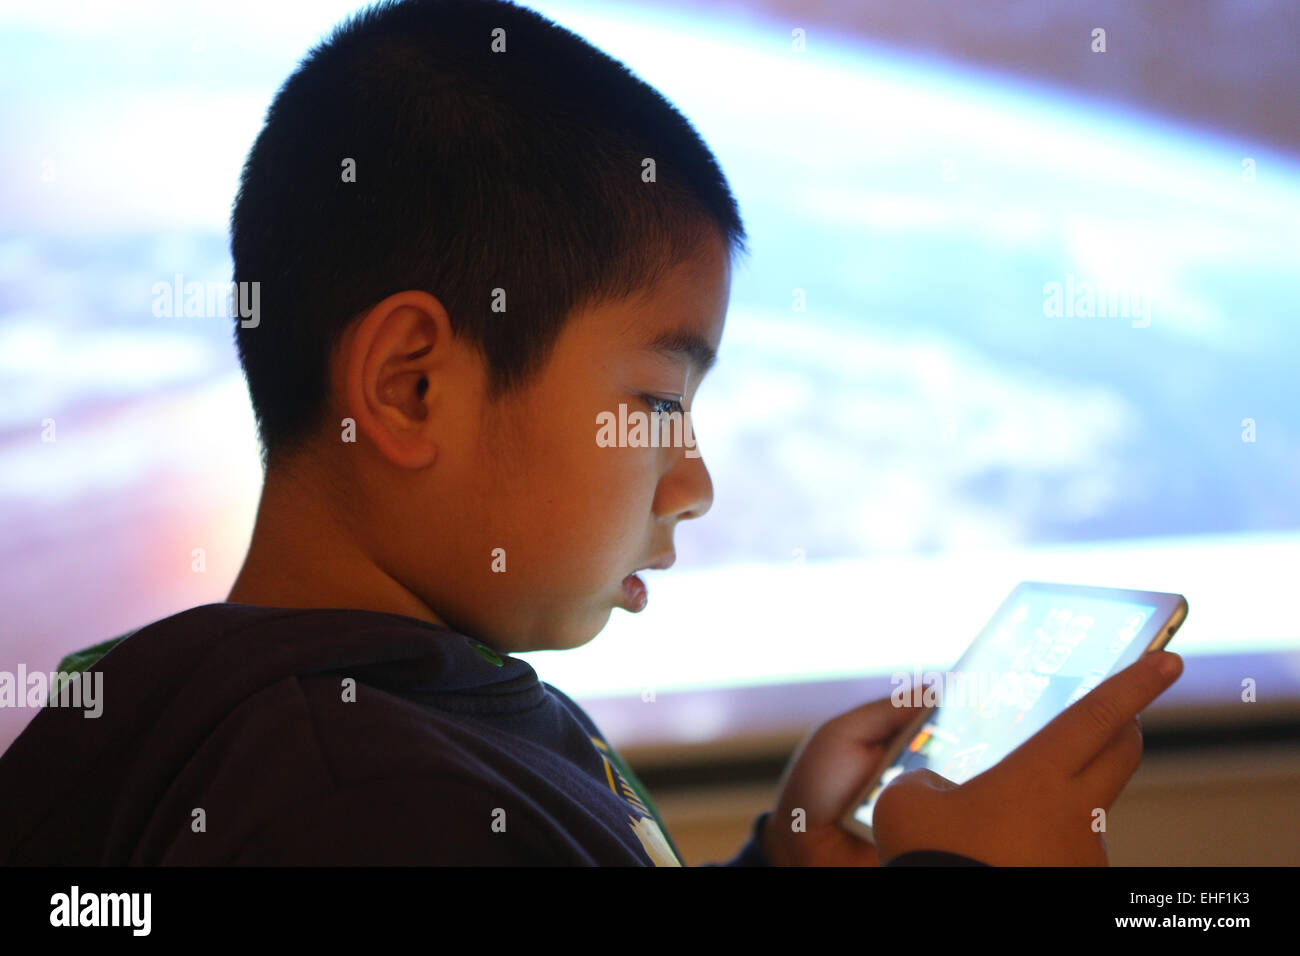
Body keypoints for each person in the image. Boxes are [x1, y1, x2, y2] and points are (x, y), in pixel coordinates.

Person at [0, 0, 1182, 866]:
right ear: (413, 389)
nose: (695, 481)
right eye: (659, 402)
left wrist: (786, 864)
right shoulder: (358, 803)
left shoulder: (402, 718)